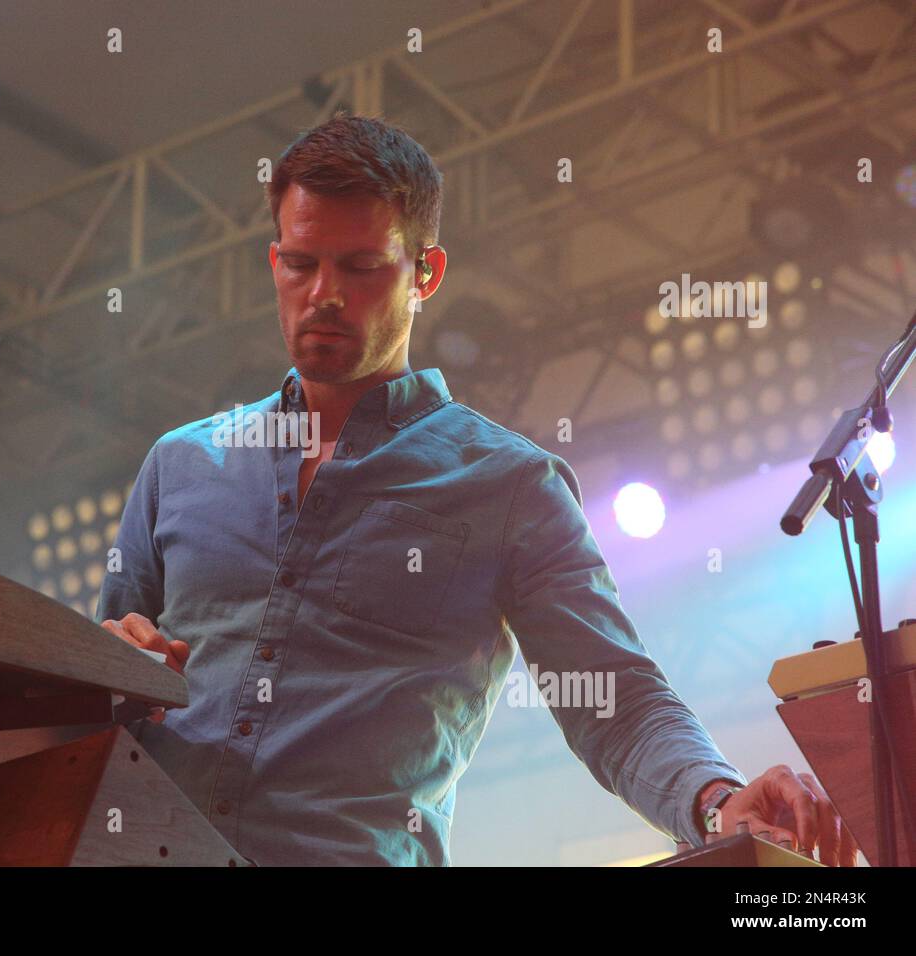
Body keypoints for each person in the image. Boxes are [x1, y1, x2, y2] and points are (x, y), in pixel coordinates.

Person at [95, 111, 857, 867]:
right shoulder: (178, 464)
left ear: (426, 273)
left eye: (361, 267)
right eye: (301, 263)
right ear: (274, 262)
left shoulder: (513, 486)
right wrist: (96, 668)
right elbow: (96, 691)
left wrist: (715, 799)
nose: (323, 293)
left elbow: (613, 700)